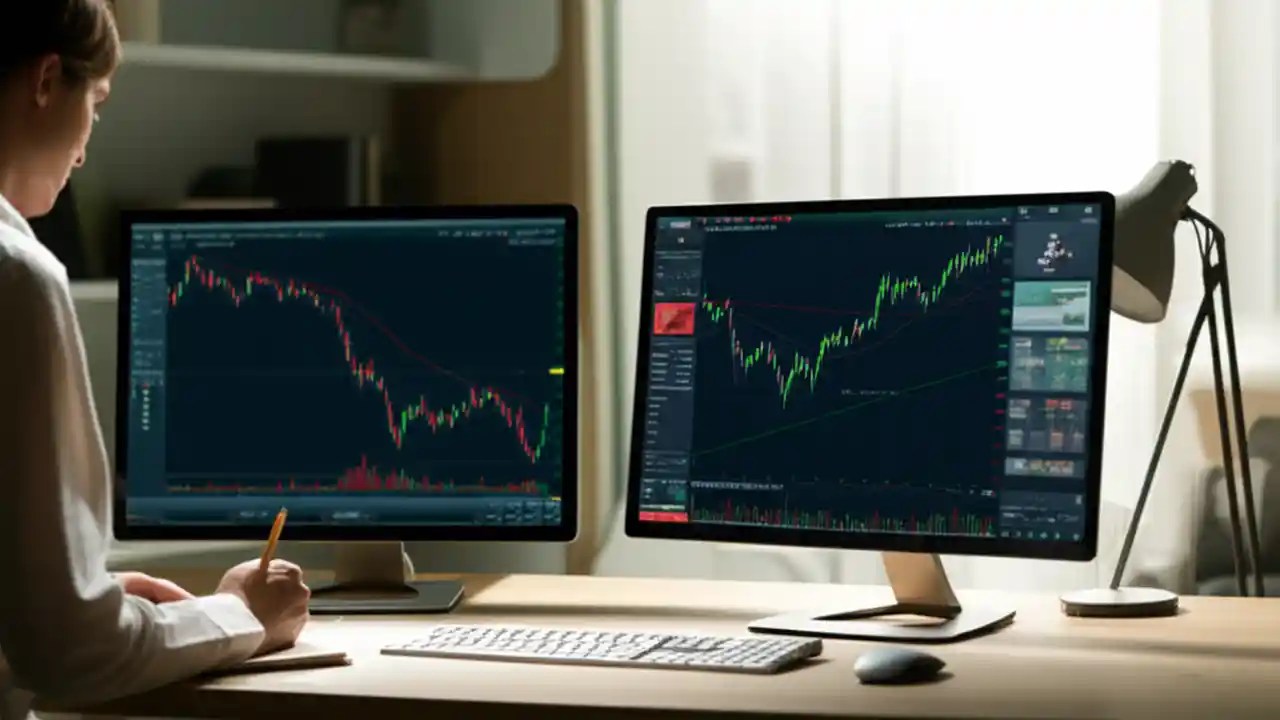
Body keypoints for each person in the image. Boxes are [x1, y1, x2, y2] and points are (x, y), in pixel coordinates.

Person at [0, 3, 311, 717]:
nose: (84, 149)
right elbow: (73, 655)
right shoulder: (17, 274)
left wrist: (90, 600)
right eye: (96, 104)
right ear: (48, 80)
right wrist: (241, 616)